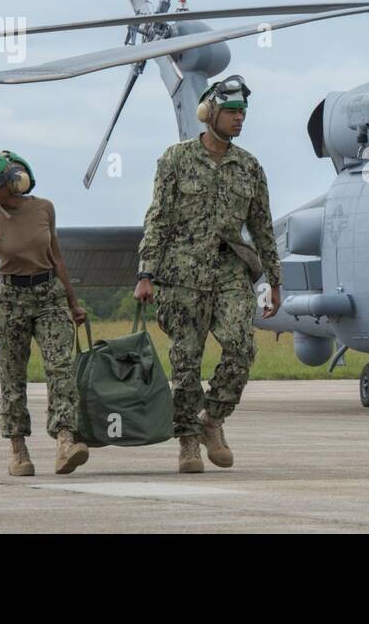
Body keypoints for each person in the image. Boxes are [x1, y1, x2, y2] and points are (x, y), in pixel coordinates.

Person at [134, 75, 282, 473]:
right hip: (181, 275)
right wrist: (145, 272)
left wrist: (275, 281)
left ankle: (212, 420)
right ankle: (187, 443)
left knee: (241, 347)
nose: (239, 120)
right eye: (232, 112)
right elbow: (158, 219)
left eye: (243, 114)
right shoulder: (175, 159)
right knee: (185, 363)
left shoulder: (249, 166)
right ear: (209, 113)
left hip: (231, 273)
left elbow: (263, 228)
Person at [0, 151, 89, 476]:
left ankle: (65, 442)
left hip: (48, 296)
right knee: (12, 378)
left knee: (61, 369)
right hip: (10, 300)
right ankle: (18, 451)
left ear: (18, 181)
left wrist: (73, 303)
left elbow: (56, 257)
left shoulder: (45, 209)